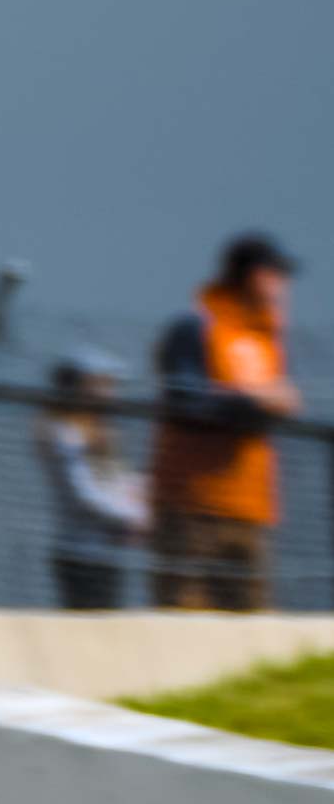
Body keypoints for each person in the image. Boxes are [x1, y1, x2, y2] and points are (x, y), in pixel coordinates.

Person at [150, 233, 301, 612]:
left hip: (249, 510)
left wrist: (273, 403)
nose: (284, 286)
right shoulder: (196, 327)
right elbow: (186, 401)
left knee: (252, 626)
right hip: (192, 509)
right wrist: (255, 401)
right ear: (252, 276)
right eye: (276, 274)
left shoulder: (268, 339)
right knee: (187, 616)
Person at [38, 348, 149, 611]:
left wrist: (139, 501)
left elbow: (116, 482)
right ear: (81, 386)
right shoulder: (65, 433)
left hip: (107, 552)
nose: (111, 394)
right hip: (81, 554)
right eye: (103, 384)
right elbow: (84, 494)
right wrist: (129, 517)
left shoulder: (101, 432)